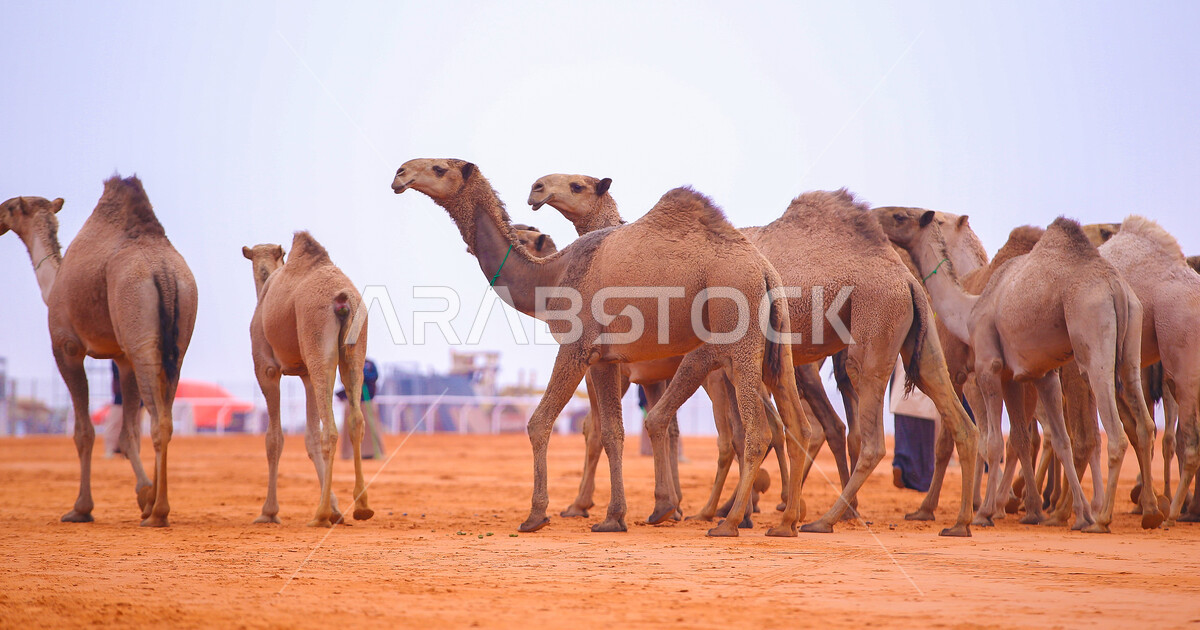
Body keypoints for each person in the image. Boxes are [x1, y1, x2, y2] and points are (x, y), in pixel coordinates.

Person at [889, 358, 938, 491]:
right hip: (923, 400)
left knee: (903, 441)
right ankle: (921, 482)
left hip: (901, 398)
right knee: (923, 444)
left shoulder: (901, 345)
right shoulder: (930, 344)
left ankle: (899, 465)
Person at [338, 359, 385, 460]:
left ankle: (372, 452)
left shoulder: (370, 364)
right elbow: (342, 378)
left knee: (371, 424)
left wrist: (363, 374)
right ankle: (348, 454)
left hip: (367, 399)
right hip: (352, 399)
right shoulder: (347, 362)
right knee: (349, 425)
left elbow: (375, 376)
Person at [102, 361, 125, 458]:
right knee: (115, 422)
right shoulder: (117, 358)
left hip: (135, 397)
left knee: (133, 424)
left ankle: (128, 450)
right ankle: (111, 449)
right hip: (120, 396)